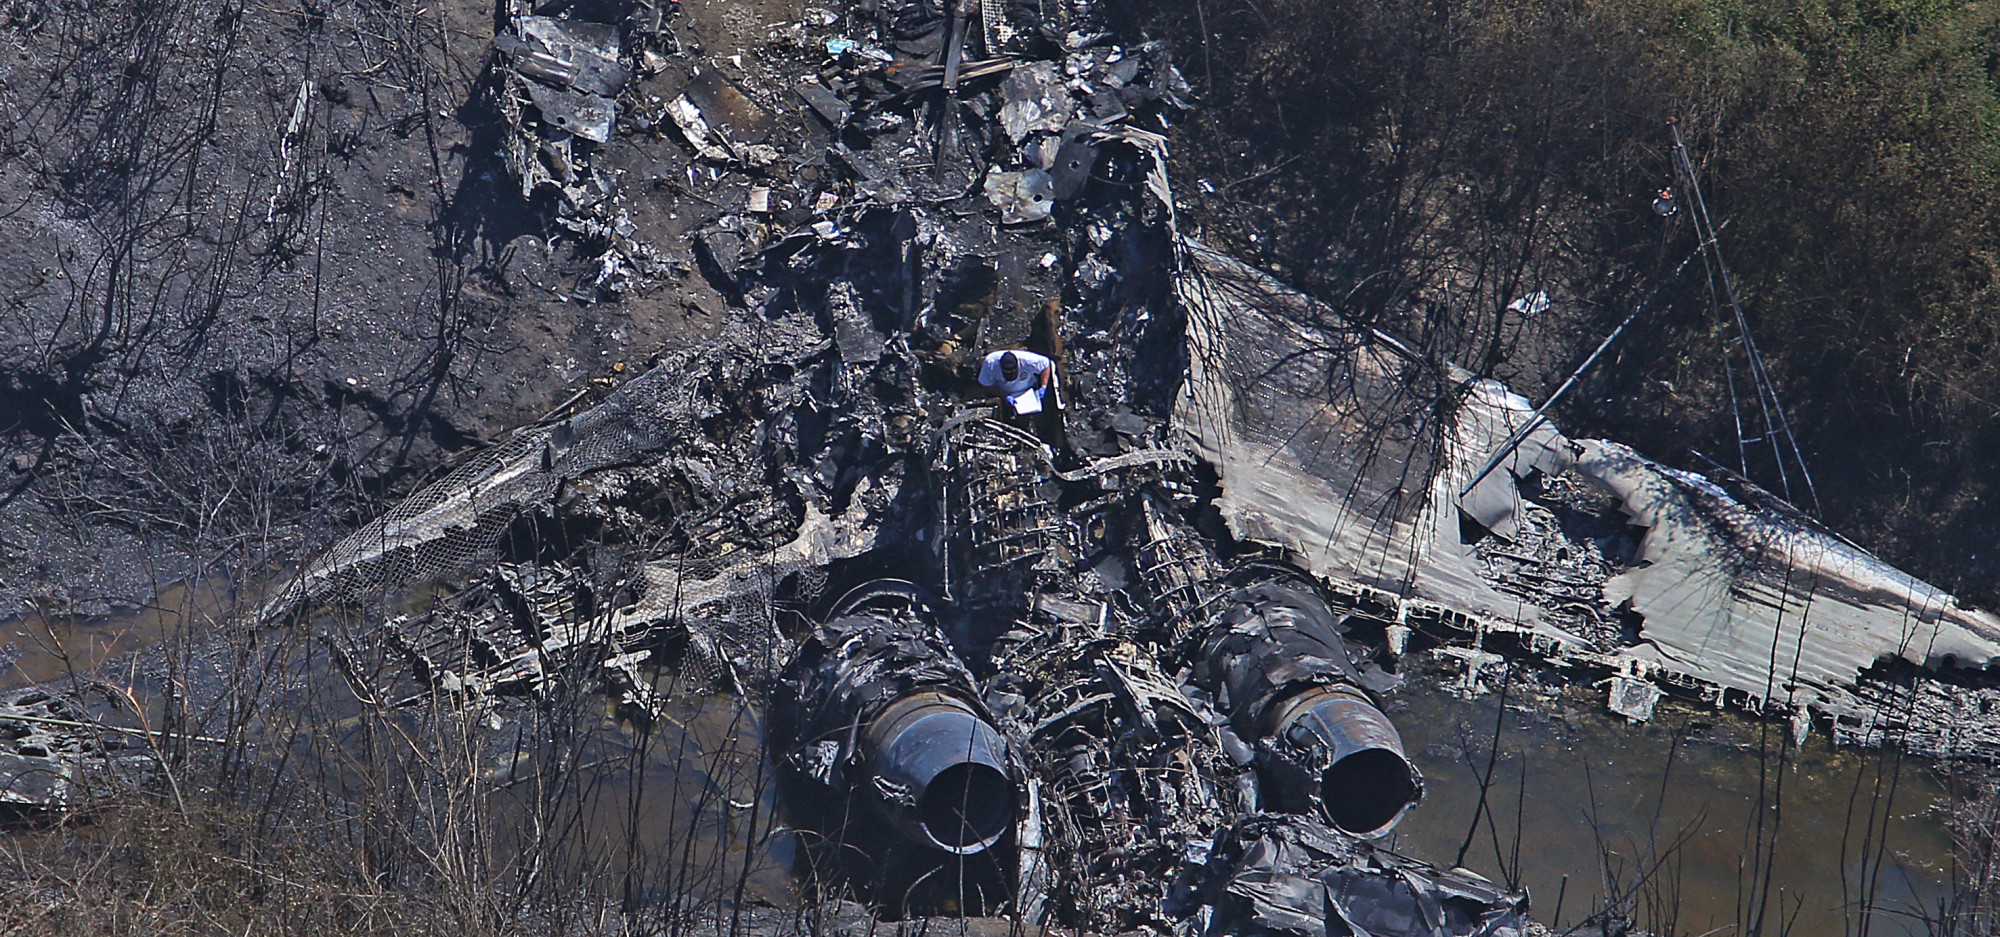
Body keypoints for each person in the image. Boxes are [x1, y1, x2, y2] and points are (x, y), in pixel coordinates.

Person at [978, 349, 1057, 416]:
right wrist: (1004, 395)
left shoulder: (1028, 360)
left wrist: (1043, 386)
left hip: (1027, 392)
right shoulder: (990, 363)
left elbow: (1046, 365)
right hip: (1004, 392)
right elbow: (985, 384)